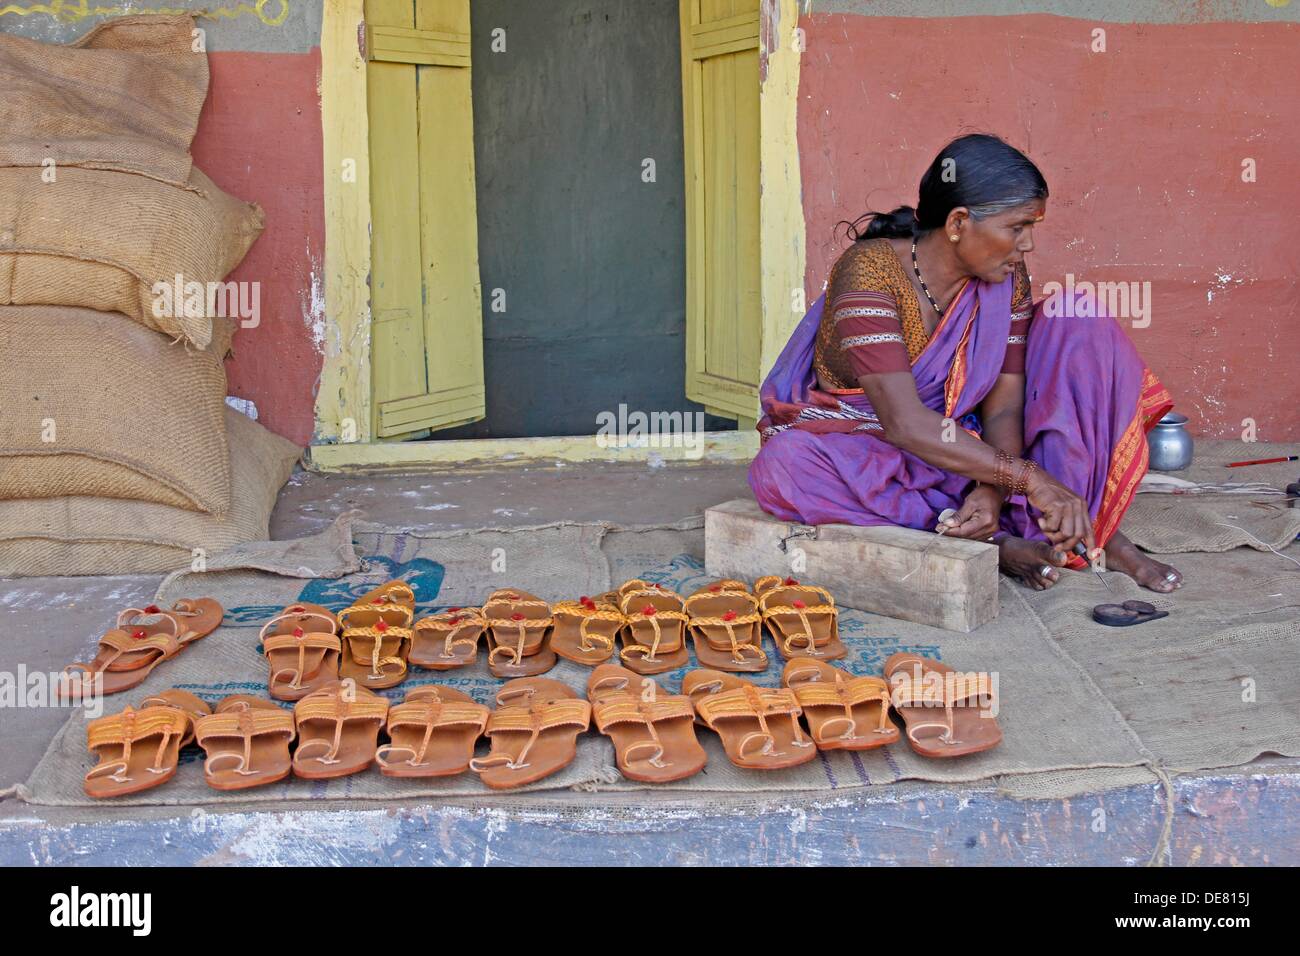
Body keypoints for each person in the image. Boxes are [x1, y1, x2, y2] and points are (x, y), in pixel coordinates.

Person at [748, 134, 1182, 592]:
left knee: (1077, 318)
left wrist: (993, 486)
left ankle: (1086, 524)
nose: (1028, 244)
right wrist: (1028, 479)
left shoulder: (1005, 278)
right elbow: (904, 423)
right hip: (869, 443)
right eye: (1017, 227)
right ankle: (992, 540)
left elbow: (1003, 408)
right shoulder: (870, 271)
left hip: (964, 444)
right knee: (784, 466)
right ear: (958, 223)